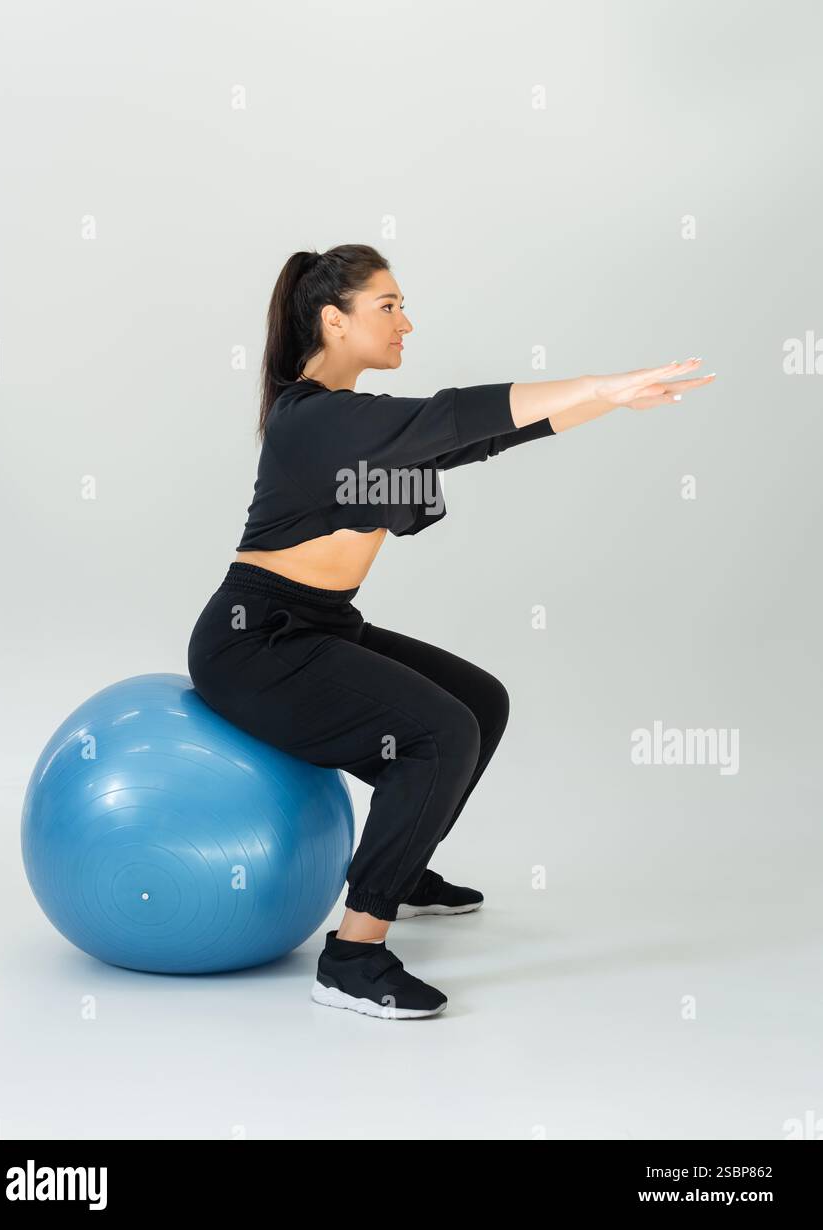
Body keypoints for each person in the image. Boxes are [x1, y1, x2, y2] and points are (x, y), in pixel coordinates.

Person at [187, 244, 714, 1019]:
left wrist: (607, 400)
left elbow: (476, 438)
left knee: (479, 702)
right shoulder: (317, 419)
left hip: (317, 625)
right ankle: (353, 957)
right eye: (389, 306)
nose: (408, 323)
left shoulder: (350, 424)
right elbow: (453, 414)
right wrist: (597, 383)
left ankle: (399, 864)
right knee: (440, 733)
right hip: (255, 642)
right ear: (333, 321)